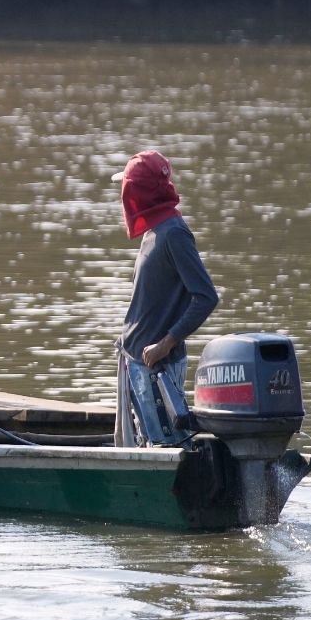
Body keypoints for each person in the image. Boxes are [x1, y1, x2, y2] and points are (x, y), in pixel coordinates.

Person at [112, 150, 218, 446]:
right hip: (135, 365)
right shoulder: (154, 230)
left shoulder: (174, 234)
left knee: (170, 446)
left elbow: (206, 296)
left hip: (158, 369)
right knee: (149, 447)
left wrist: (164, 344)